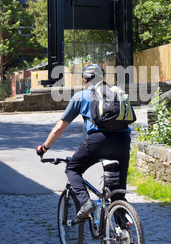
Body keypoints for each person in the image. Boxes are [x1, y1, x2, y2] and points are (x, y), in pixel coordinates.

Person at [37, 64, 131, 219]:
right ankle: (123, 234)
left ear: (85, 79)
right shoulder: (117, 93)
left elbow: (60, 127)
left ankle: (86, 202)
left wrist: (45, 147)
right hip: (122, 141)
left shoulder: (81, 96)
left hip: (98, 141)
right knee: (118, 192)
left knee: (73, 169)